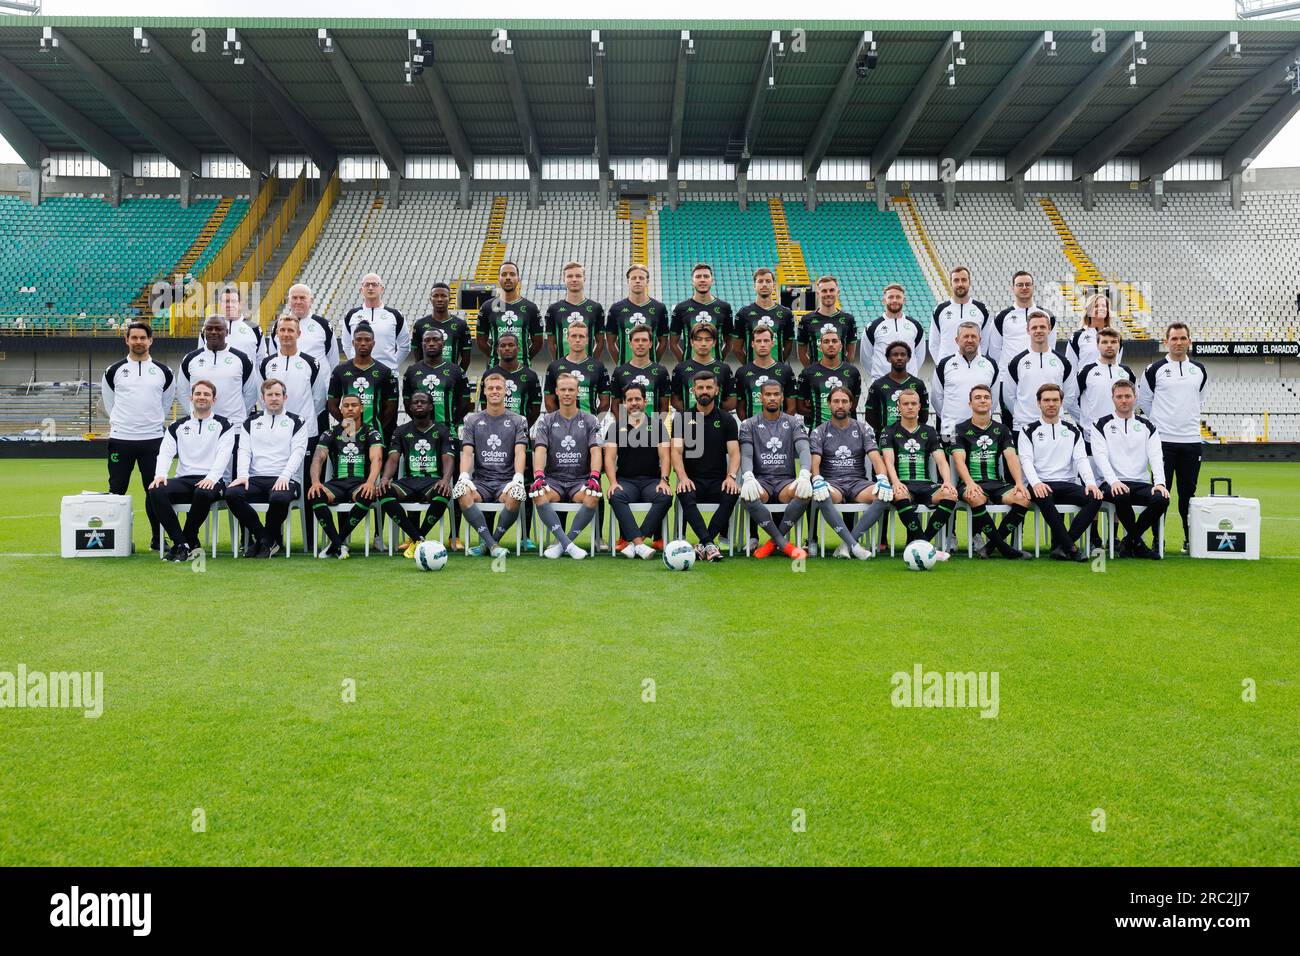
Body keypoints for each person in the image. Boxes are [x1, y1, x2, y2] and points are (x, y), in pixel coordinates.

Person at [101, 322, 176, 550]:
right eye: (134, 337)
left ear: (150, 341)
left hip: (152, 440)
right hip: (121, 439)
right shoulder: (113, 370)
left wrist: (149, 423)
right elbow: (109, 403)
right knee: (117, 489)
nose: (138, 342)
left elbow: (165, 403)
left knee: (154, 491)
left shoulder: (164, 372)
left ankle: (157, 539)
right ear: (127, 340)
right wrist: (124, 425)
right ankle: (114, 539)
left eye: (143, 338)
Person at [147, 379, 237, 562]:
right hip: (184, 479)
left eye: (206, 394)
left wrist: (211, 478)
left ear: (214, 399)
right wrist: (160, 476)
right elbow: (164, 453)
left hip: (213, 480)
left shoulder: (225, 425)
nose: (201, 397)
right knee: (155, 490)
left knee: (203, 492)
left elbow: (224, 455)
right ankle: (182, 543)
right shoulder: (177, 426)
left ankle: (187, 538)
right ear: (191, 398)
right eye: (198, 394)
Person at [1138, 321, 1207, 550]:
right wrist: (1161, 424)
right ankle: (1158, 539)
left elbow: (1199, 399)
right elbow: (1145, 401)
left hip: (1191, 442)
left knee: (1188, 495)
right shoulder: (1154, 369)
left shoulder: (1199, 370)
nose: (1178, 342)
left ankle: (1190, 540)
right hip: (1163, 442)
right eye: (1174, 339)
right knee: (1160, 493)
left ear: (1189, 341)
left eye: (1183, 338)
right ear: (1166, 342)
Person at [1017, 383, 1104, 562]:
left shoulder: (1072, 430)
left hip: (1067, 483)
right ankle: (1071, 548)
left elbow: (1081, 459)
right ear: (1038, 403)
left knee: (1095, 497)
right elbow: (1026, 461)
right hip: (1041, 484)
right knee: (1044, 494)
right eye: (1046, 400)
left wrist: (1090, 483)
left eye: (1055, 400)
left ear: (1061, 403)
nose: (1051, 404)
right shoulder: (1028, 430)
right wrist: (1036, 483)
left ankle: (1062, 545)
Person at [225, 378, 309, 558]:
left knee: (279, 498)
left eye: (277, 394)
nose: (274, 398)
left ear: (285, 397)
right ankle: (266, 539)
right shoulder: (251, 422)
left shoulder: (297, 421)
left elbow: (298, 452)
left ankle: (264, 541)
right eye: (269, 395)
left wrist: (285, 476)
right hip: (255, 478)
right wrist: (242, 475)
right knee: (231, 494)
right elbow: (244, 450)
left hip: (286, 478)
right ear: (262, 398)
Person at [950, 384, 1033, 560]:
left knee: (1023, 498)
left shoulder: (1002, 429)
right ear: (970, 403)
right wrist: (970, 483)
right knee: (976, 497)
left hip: (997, 483)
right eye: (978, 397)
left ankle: (989, 547)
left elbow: (1011, 457)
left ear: (991, 403)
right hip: (970, 483)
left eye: (986, 397)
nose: (982, 400)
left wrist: (1019, 483)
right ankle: (1005, 549)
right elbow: (958, 460)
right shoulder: (960, 429)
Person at [808, 386, 890, 559]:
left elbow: (875, 457)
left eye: (844, 401)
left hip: (858, 483)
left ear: (851, 405)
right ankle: (855, 546)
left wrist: (882, 478)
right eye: (836, 401)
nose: (840, 405)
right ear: (829, 404)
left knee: (884, 495)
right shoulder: (819, 431)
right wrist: (817, 479)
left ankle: (848, 543)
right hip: (832, 483)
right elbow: (814, 462)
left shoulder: (863, 428)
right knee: (822, 496)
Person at [1091, 380, 1170, 560]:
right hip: (1110, 483)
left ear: (1135, 398)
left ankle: (1129, 541)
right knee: (1121, 494)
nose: (1124, 400)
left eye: (1127, 396)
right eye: (1119, 397)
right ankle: (1138, 544)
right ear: (1113, 399)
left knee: (1162, 498)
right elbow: (1100, 457)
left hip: (1140, 482)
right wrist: (1114, 481)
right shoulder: (1100, 424)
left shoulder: (1147, 426)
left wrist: (1159, 483)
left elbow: (1156, 456)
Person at [453, 372, 529, 557]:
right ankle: (493, 546)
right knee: (461, 492)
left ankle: (490, 543)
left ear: (505, 392)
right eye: (490, 388)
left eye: (499, 388)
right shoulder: (472, 420)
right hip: (482, 482)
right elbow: (468, 452)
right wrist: (464, 475)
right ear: (484, 392)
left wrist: (518, 477)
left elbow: (520, 452)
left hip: (505, 482)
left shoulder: (518, 420)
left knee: (517, 494)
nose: (495, 391)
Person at [531, 372, 602, 559]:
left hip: (580, 481)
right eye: (563, 389)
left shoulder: (590, 420)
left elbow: (596, 451)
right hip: (554, 481)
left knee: (593, 497)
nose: (567, 393)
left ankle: (563, 544)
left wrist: (594, 476)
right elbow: (540, 450)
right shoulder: (546, 420)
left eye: (571, 389)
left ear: (578, 392)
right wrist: (539, 475)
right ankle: (568, 545)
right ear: (556, 391)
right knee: (538, 495)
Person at [737, 381, 812, 560]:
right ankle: (783, 543)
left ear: (782, 397)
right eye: (768, 394)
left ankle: (772, 542)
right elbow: (746, 456)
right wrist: (748, 476)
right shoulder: (749, 424)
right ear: (761, 397)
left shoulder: (793, 422)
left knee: (805, 493)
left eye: (776, 394)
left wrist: (804, 474)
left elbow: (804, 450)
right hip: (761, 481)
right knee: (749, 495)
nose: (772, 398)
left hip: (785, 482)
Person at [672, 371, 741, 562]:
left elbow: (735, 453)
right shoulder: (682, 418)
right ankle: (710, 544)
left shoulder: (727, 419)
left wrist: (731, 477)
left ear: (716, 390)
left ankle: (704, 544)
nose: (705, 391)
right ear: (693, 390)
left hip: (718, 480)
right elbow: (676, 452)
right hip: (692, 480)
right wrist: (683, 477)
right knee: (684, 491)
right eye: (700, 387)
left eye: (709, 387)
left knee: (732, 492)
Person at [378, 390, 456, 558]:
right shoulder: (401, 430)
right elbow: (393, 458)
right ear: (410, 407)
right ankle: (418, 539)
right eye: (415, 402)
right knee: (384, 491)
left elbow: (448, 458)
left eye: (423, 402)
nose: (419, 405)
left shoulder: (442, 430)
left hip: (432, 481)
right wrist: (385, 478)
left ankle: (415, 539)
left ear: (431, 406)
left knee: (443, 492)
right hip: (408, 481)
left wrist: (445, 480)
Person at [307, 394, 385, 559]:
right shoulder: (330, 433)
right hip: (336, 484)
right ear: (341, 409)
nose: (350, 408)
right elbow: (317, 458)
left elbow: (376, 459)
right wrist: (315, 482)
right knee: (316, 494)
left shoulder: (371, 432)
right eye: (346, 405)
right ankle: (338, 544)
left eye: (354, 405)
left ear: (361, 408)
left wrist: (371, 482)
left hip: (359, 484)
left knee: (366, 494)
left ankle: (335, 543)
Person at [879, 388, 956, 556]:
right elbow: (888, 461)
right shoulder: (889, 430)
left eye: (914, 403)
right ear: (898, 407)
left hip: (925, 485)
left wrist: (948, 482)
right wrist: (896, 482)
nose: (910, 407)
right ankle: (928, 548)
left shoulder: (929, 431)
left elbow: (941, 461)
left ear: (920, 406)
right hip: (902, 484)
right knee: (899, 495)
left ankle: (922, 543)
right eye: (905, 404)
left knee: (950, 494)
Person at [605, 383, 672, 559]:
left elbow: (665, 456)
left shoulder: (657, 426)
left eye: (637, 399)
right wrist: (613, 483)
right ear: (624, 403)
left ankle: (636, 543)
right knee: (615, 496)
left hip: (652, 481)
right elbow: (609, 458)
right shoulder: (615, 428)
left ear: (644, 401)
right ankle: (640, 544)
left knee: (665, 496)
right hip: (626, 481)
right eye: (630, 400)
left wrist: (664, 481)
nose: (634, 403)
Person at [988, 271, 1057, 417]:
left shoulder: (1047, 315)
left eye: (1027, 284)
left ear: (1033, 287)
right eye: (1019, 285)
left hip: (1038, 377)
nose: (1024, 287)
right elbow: (994, 350)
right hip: (1008, 380)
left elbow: (1051, 347)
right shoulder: (1002, 316)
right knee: (1010, 423)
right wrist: (1009, 369)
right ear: (1012, 288)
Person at [180, 314, 257, 435]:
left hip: (234, 428)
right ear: (204, 332)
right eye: (209, 329)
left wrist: (237, 415)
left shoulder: (242, 359)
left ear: (226, 332)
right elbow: (183, 392)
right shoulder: (190, 359)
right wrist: (196, 413)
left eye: (218, 329)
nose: (214, 332)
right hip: (201, 426)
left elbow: (251, 393)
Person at [1005, 309, 1075, 431]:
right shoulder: (1016, 362)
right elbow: (1009, 396)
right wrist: (1022, 415)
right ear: (1028, 330)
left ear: (1049, 329)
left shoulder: (1063, 362)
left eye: (1042, 327)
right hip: (1024, 426)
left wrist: (1054, 414)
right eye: (1034, 327)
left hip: (1055, 424)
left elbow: (1069, 395)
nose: (1038, 331)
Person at [328, 322, 399, 439]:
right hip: (349, 432)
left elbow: (391, 407)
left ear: (373, 343)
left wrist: (376, 426)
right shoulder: (340, 370)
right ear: (353, 343)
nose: (363, 343)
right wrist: (348, 424)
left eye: (367, 340)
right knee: (349, 455)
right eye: (359, 340)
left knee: (376, 457)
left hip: (374, 433)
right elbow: (332, 405)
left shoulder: (384, 372)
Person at [931, 322, 999, 441]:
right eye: (965, 336)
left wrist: (980, 418)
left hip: (981, 429)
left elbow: (993, 399)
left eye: (973, 336)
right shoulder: (944, 364)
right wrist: (949, 418)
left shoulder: (990, 364)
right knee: (948, 460)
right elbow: (936, 398)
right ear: (957, 340)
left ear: (980, 339)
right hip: (950, 429)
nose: (970, 340)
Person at [263, 284, 341, 379]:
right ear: (289, 301)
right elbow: (273, 356)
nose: (298, 302)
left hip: (317, 386)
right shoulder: (278, 325)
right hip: (286, 385)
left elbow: (333, 359)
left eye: (302, 298)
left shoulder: (324, 325)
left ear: (311, 301)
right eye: (294, 298)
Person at [1074, 326, 1135, 441]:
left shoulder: (1127, 372)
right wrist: (1085, 421)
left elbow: (1135, 400)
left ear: (1119, 345)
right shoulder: (1086, 371)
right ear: (1097, 345)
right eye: (1105, 342)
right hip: (1093, 435)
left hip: (1121, 435)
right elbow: (1072, 400)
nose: (1109, 345)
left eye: (1113, 342)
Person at [476, 261, 543, 362]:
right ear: (499, 279)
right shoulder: (488, 307)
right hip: (496, 369)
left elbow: (538, 343)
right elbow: (481, 342)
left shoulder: (531, 308)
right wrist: (496, 357)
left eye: (512, 274)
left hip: (522, 368)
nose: (508, 277)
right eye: (504, 274)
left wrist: (523, 358)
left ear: (518, 278)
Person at [342, 273, 409, 372]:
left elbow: (405, 346)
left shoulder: (395, 315)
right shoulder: (351, 315)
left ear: (382, 289)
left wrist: (391, 365)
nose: (370, 288)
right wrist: (357, 363)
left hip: (387, 375)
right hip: (358, 373)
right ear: (361, 290)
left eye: (374, 284)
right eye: (366, 284)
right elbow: (347, 345)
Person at [797, 328, 862, 429]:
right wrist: (817, 415)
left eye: (834, 341)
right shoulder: (807, 373)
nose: (831, 344)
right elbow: (800, 407)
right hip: (817, 431)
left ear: (840, 346)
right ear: (820, 346)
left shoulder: (853, 372)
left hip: (847, 432)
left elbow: (853, 405)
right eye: (826, 342)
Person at [404, 327, 470, 426]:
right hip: (420, 429)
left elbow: (464, 403)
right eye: (427, 340)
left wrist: (453, 422)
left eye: (435, 339)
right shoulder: (411, 371)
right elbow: (407, 403)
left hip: (448, 429)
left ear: (443, 344)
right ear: (422, 344)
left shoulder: (456, 371)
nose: (431, 343)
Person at [605, 264, 670, 365]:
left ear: (647, 281)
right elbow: (610, 342)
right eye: (633, 278)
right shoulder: (616, 308)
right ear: (628, 281)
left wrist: (653, 362)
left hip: (650, 371)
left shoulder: (659, 308)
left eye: (641, 278)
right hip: (624, 371)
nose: (637, 281)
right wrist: (621, 365)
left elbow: (663, 341)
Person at [669, 263, 732, 362]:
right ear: (692, 281)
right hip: (690, 371)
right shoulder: (681, 308)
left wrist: (719, 361)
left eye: (706, 276)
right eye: (698, 276)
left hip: (716, 370)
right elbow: (673, 343)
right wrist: (685, 364)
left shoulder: (724, 307)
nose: (702, 279)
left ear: (712, 280)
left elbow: (729, 342)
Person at [731, 324, 796, 419]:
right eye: (758, 341)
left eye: (766, 341)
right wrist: (749, 427)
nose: (762, 344)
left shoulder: (786, 371)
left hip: (780, 431)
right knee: (699, 431)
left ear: (772, 343)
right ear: (752, 344)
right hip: (752, 430)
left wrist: (782, 428)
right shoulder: (742, 372)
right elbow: (740, 408)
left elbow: (792, 407)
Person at [732, 267, 795, 364]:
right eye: (760, 281)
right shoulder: (743, 313)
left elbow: (788, 346)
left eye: (768, 281)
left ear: (773, 286)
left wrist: (778, 364)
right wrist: (749, 367)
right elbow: (737, 348)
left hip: (777, 372)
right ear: (754, 286)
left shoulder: (786, 313)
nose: (764, 284)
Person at [865, 341, 929, 435]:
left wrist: (914, 431)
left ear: (908, 358)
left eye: (903, 355)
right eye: (895, 355)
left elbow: (924, 414)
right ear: (888, 358)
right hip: (884, 439)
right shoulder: (878, 385)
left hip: (911, 437)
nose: (899, 358)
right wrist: (884, 432)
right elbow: (869, 415)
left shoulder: (918, 384)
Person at [864, 283, 926, 379]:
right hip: (881, 381)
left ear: (904, 300)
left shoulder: (915, 326)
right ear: (884, 301)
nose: (894, 300)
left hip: (908, 381)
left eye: (898, 297)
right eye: (891, 297)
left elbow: (919, 355)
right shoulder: (872, 326)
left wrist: (910, 373)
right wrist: (878, 376)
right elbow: (866, 357)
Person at [608, 326, 671, 422]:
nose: (640, 344)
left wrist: (656, 428)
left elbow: (664, 406)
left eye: (644, 340)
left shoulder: (661, 371)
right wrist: (624, 427)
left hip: (652, 431)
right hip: (627, 431)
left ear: (650, 344)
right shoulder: (619, 372)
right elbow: (615, 406)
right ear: (630, 344)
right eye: (636, 340)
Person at [545, 261, 605, 360]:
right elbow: (551, 343)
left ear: (584, 278)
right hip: (562, 370)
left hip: (587, 370)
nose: (574, 279)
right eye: (569, 276)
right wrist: (558, 363)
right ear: (563, 279)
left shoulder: (596, 308)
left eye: (578, 276)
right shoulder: (553, 309)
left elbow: (600, 342)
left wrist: (592, 362)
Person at [543, 323, 607, 415]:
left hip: (589, 426)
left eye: (581, 336)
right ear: (567, 338)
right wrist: (560, 421)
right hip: (562, 426)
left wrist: (593, 421)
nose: (577, 340)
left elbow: (605, 403)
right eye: (573, 336)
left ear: (587, 340)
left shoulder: (598, 367)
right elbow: (549, 403)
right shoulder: (554, 367)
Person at [929, 265, 989, 363]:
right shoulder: (940, 310)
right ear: (951, 283)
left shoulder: (982, 309)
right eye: (956, 280)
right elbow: (933, 344)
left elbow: (984, 343)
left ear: (969, 283)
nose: (960, 284)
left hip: (973, 367)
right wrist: (942, 365)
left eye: (964, 280)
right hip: (947, 369)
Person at [670, 322, 735, 412]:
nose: (703, 344)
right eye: (699, 339)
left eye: (708, 340)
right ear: (692, 342)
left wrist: (712, 411)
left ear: (714, 342)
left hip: (716, 422)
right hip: (689, 421)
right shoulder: (680, 368)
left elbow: (731, 402)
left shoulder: (724, 369)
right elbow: (675, 400)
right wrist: (691, 413)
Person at [410, 282, 472, 373]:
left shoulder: (461, 325)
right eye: (435, 296)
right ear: (430, 299)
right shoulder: (420, 325)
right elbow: (418, 358)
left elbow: (466, 359)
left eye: (443, 296)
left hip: (451, 379)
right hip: (427, 377)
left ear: (450, 299)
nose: (439, 299)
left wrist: (457, 376)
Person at [483, 331, 545, 420]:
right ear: (497, 350)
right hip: (493, 430)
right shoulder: (488, 375)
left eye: (511, 345)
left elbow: (535, 410)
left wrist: (523, 429)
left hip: (520, 432)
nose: (507, 348)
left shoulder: (530, 375)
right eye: (503, 345)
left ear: (518, 349)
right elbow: (484, 406)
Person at [797, 275, 857, 366]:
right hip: (815, 377)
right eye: (824, 291)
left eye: (832, 290)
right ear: (818, 293)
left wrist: (843, 368)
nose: (828, 294)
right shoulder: (806, 320)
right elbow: (801, 354)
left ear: (838, 292)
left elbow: (851, 353)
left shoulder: (848, 319)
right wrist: (812, 371)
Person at [199, 285, 262, 357]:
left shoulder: (255, 328)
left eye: (233, 301)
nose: (229, 305)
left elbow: (261, 358)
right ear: (220, 304)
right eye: (226, 301)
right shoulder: (208, 328)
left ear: (240, 304)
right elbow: (200, 356)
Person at [1067, 293, 1123, 370]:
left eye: (1103, 306)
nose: (1100, 308)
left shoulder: (1117, 337)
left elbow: (1117, 365)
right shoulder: (1077, 337)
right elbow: (1070, 367)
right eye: (1096, 306)